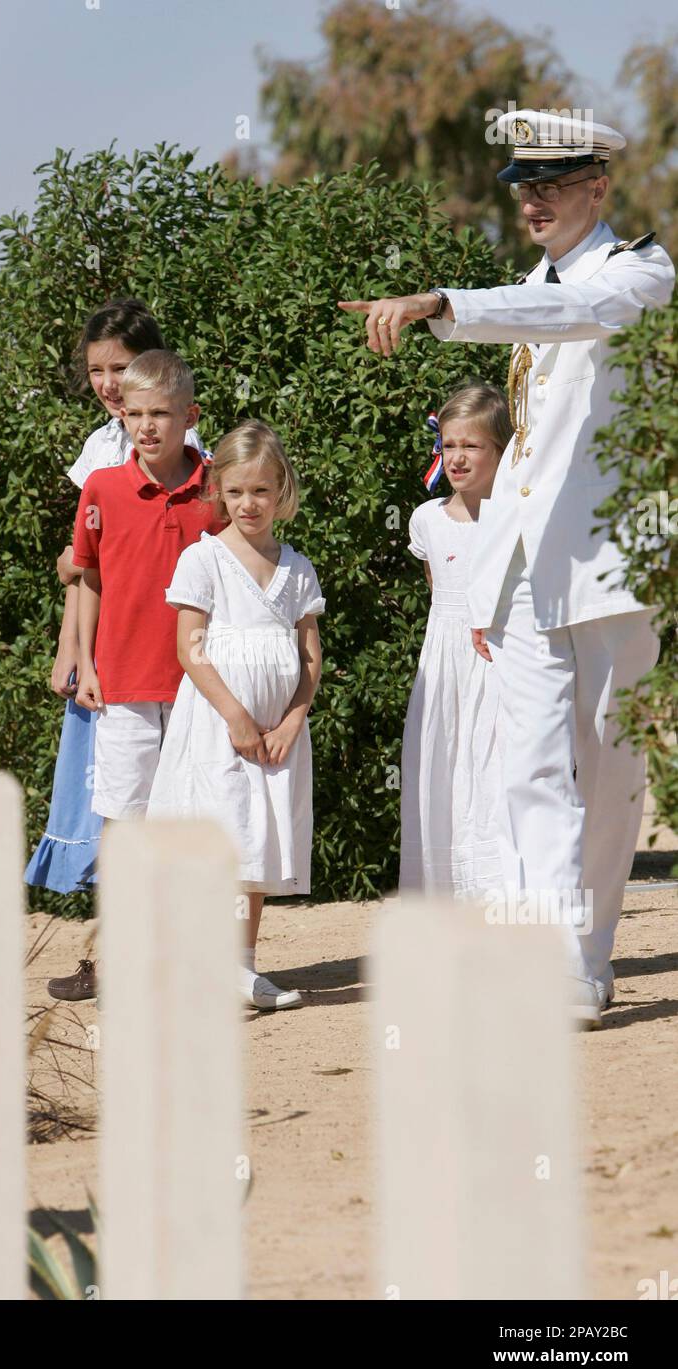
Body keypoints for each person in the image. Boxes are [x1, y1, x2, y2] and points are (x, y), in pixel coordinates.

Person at [340, 108, 675, 1029]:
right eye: (524, 188)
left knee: (605, 766)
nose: (533, 202)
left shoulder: (638, 272)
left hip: (611, 564)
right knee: (529, 764)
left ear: (597, 188)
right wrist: (486, 580)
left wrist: (445, 305)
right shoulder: (527, 285)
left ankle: (590, 951)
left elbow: (575, 315)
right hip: (523, 569)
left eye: (552, 185)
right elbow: (522, 455)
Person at [47, 350, 223, 1001]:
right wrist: (86, 662)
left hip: (198, 687)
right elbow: (88, 577)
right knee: (123, 821)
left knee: (195, 821)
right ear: (121, 415)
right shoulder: (101, 490)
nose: (146, 427)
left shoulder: (216, 490)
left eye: (160, 414)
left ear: (189, 416)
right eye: (135, 414)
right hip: (120, 684)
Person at [24, 300, 205, 907]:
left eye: (122, 369)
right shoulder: (101, 449)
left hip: (167, 654)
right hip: (111, 655)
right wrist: (71, 652)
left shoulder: (185, 450)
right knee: (109, 794)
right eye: (98, 371)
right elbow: (85, 566)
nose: (110, 385)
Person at [146, 420, 325, 1010]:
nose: (249, 504)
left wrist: (293, 720)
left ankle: (241, 969)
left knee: (254, 841)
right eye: (236, 492)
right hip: (221, 731)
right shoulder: (205, 560)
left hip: (276, 736)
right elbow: (189, 648)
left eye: (261, 491)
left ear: (282, 492)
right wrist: (236, 717)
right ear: (218, 491)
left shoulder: (298, 568)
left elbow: (310, 656)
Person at [400, 384, 513, 901]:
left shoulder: (516, 519)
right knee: (445, 777)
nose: (458, 458)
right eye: (449, 446)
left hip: (501, 665)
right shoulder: (427, 520)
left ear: (501, 450)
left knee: (496, 779)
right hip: (446, 670)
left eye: (473, 446)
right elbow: (439, 596)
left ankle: (500, 902)